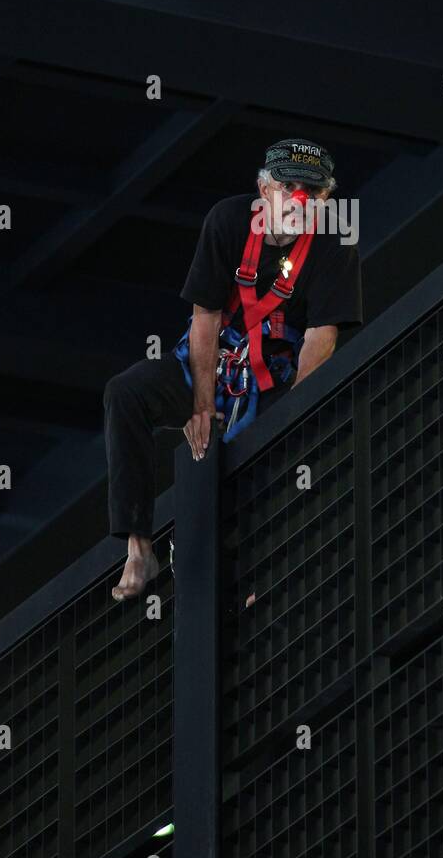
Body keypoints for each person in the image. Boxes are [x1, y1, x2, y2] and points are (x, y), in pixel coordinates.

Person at [104, 138, 363, 601]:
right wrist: (202, 406)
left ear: (324, 200)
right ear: (264, 189)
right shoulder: (228, 220)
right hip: (208, 365)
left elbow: (320, 339)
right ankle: (139, 546)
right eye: (287, 186)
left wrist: (290, 420)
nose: (298, 200)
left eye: (311, 191)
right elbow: (204, 316)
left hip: (271, 384)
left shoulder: (334, 243)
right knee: (125, 393)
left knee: (274, 451)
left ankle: (248, 571)